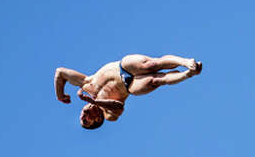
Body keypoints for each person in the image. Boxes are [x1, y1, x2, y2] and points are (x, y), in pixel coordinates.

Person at [54, 54, 203, 129]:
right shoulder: (108, 115)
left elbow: (60, 73)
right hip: (130, 86)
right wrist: (94, 101)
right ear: (97, 120)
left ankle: (186, 62)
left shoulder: (85, 84)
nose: (83, 116)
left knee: (152, 64)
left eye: (81, 117)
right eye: (85, 121)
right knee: (157, 80)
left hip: (123, 66)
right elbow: (118, 106)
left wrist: (60, 96)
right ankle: (188, 74)